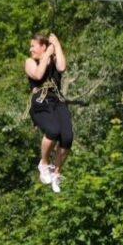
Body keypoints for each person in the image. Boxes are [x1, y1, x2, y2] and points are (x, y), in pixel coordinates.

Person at [25, 33, 72, 193]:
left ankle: (56, 174)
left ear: (42, 46)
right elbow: (38, 74)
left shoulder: (53, 60)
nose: (31, 49)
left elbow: (62, 67)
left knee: (67, 138)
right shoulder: (30, 62)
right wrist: (47, 54)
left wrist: (56, 44)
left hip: (57, 100)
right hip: (40, 102)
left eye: (33, 46)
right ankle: (44, 163)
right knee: (52, 131)